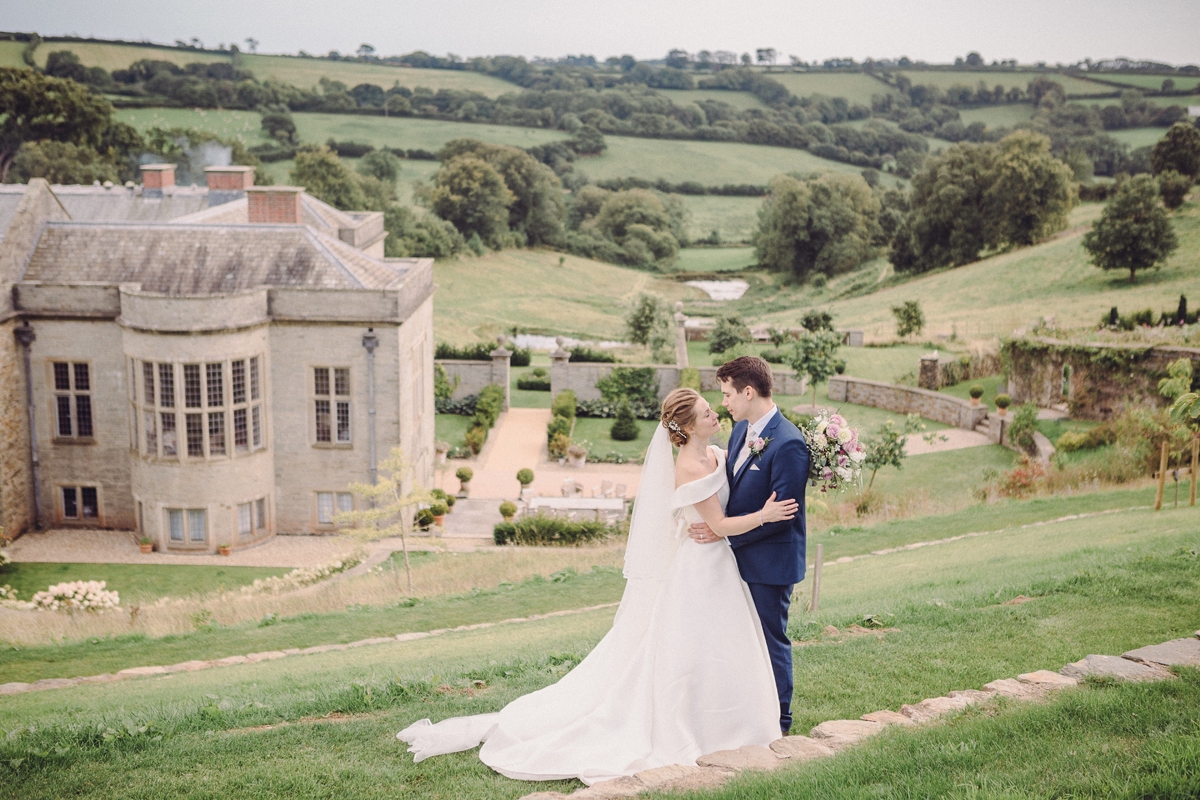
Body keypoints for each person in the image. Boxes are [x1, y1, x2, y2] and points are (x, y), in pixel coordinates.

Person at [397, 388, 798, 785]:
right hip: (699, 568)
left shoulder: (717, 453)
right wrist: (764, 515)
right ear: (689, 427)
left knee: (724, 644)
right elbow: (720, 523)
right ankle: (697, 722)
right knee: (694, 647)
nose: (716, 414)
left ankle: (737, 717)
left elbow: (728, 498)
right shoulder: (690, 466)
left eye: (713, 408)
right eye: (707, 412)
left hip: (720, 565)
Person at [688, 356, 810, 734]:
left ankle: (781, 720)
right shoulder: (741, 430)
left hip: (770, 562)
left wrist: (724, 532)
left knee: (769, 639)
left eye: (727, 394)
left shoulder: (789, 443)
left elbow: (782, 516)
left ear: (748, 392)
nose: (723, 402)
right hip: (735, 557)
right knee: (741, 641)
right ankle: (747, 713)